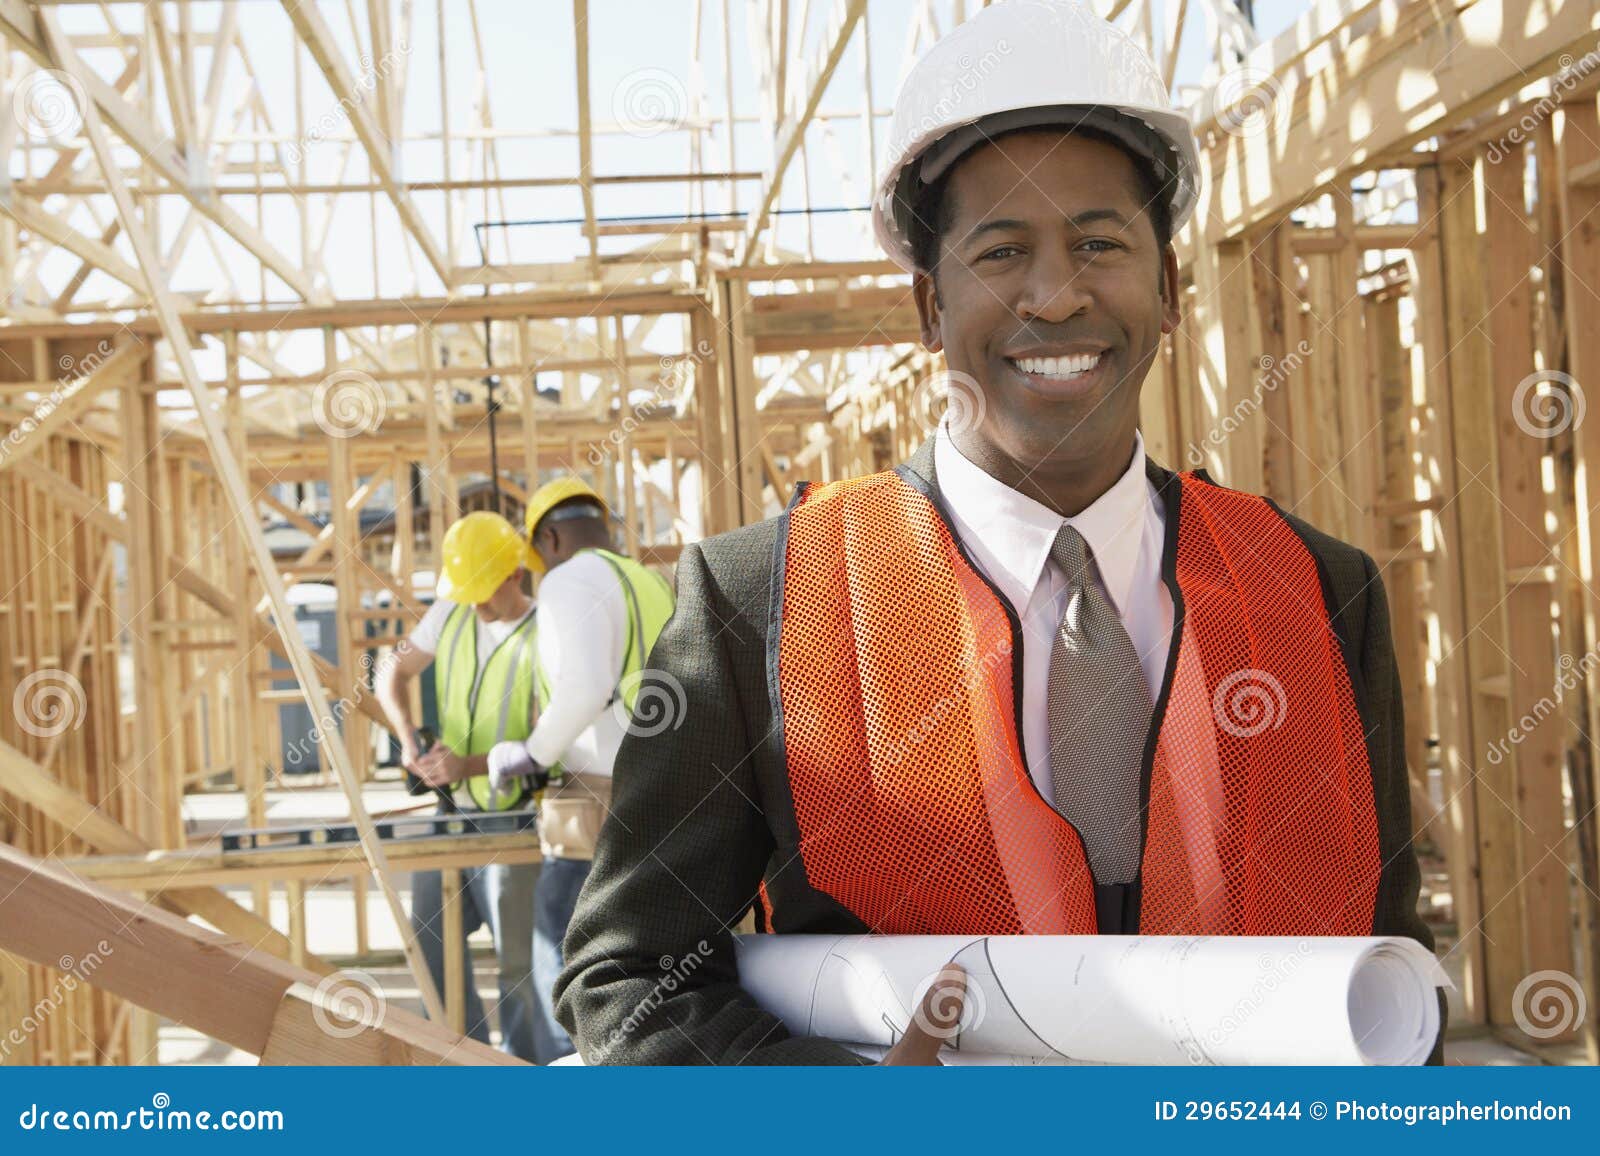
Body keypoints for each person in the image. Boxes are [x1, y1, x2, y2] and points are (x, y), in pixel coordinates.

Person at [554, 0, 1443, 1065]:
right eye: (1002, 250)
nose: (1055, 295)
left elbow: (1392, 972)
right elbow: (626, 978)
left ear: (1165, 290)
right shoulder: (758, 603)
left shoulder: (1320, 589)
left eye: (1098, 243)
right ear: (930, 308)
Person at [482, 476, 675, 1062]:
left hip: (597, 801)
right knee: (645, 962)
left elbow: (586, 685)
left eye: (538, 557)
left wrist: (531, 753)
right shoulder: (645, 577)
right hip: (667, 788)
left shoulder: (568, 579)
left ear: (552, 538)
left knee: (561, 960)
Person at [375, 510, 552, 1062]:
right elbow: (391, 672)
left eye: (485, 592)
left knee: (521, 965)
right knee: (431, 943)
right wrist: (407, 737)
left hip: (517, 821)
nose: (475, 604)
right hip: (450, 814)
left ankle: (528, 1080)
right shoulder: (450, 611)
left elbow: (552, 746)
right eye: (467, 591)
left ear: (515, 576)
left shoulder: (547, 631)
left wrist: (468, 765)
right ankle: (466, 1065)